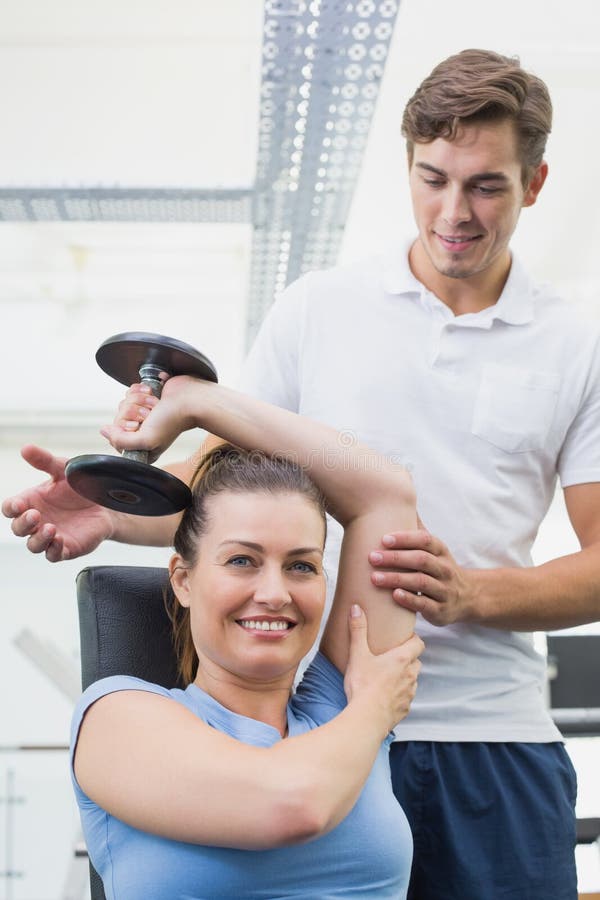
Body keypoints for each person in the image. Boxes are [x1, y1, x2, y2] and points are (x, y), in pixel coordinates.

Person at [4, 47, 600, 898]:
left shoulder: (578, 347)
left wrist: (472, 596)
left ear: (535, 183)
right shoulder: (320, 310)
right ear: (407, 166)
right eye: (432, 179)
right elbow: (233, 499)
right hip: (311, 711)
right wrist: (115, 509)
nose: (453, 211)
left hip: (487, 732)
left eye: (487, 186)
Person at [71, 374, 424, 898]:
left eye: (302, 566)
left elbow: (387, 493)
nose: (275, 593)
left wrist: (198, 403)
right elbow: (292, 807)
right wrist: (374, 712)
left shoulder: (338, 706)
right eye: (242, 560)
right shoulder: (117, 717)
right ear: (183, 580)